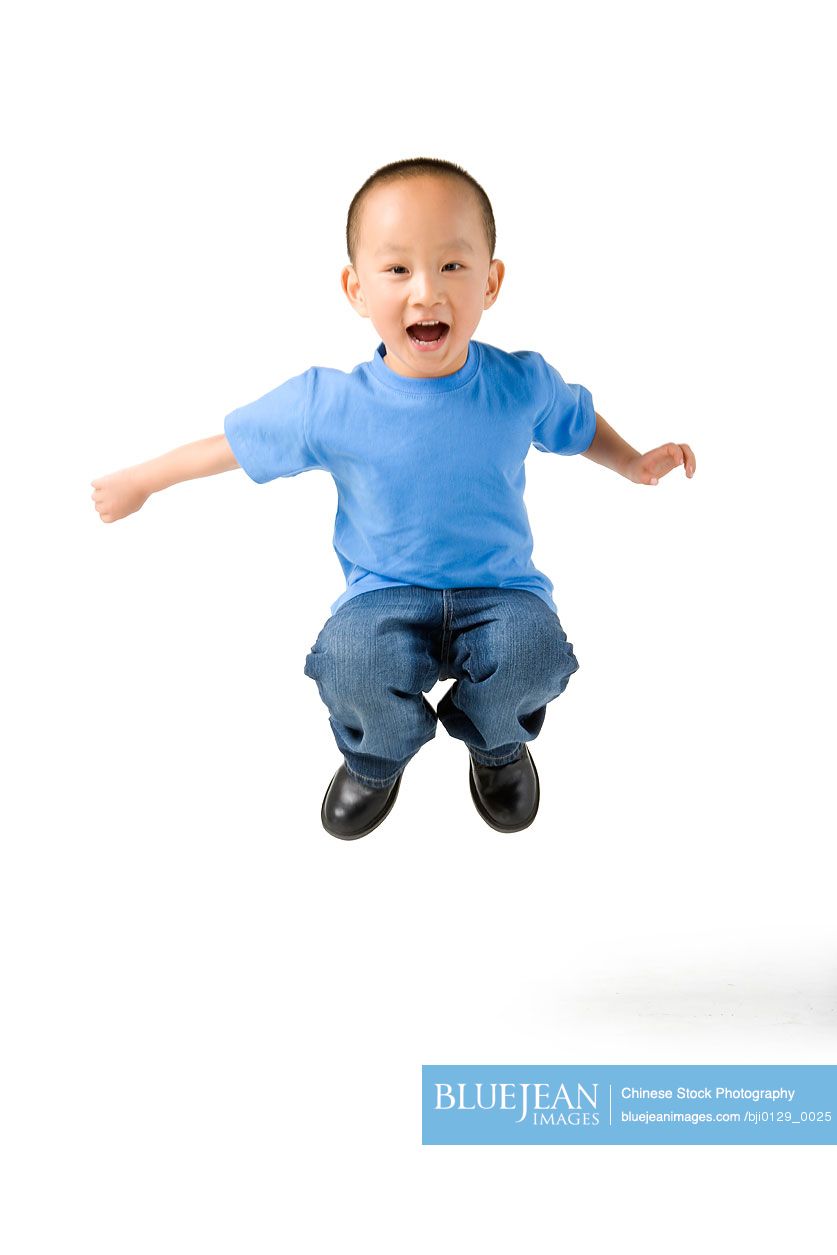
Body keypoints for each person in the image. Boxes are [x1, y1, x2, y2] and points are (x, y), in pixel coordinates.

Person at [91, 156, 695, 841]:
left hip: (499, 593)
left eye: (452, 266)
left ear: (491, 281)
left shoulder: (519, 383)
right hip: (384, 597)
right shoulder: (332, 404)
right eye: (398, 269)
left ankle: (495, 746)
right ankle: (377, 756)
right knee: (349, 662)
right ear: (355, 288)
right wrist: (141, 480)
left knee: (535, 651)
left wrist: (631, 462)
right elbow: (229, 445)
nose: (426, 293)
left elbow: (577, 423)